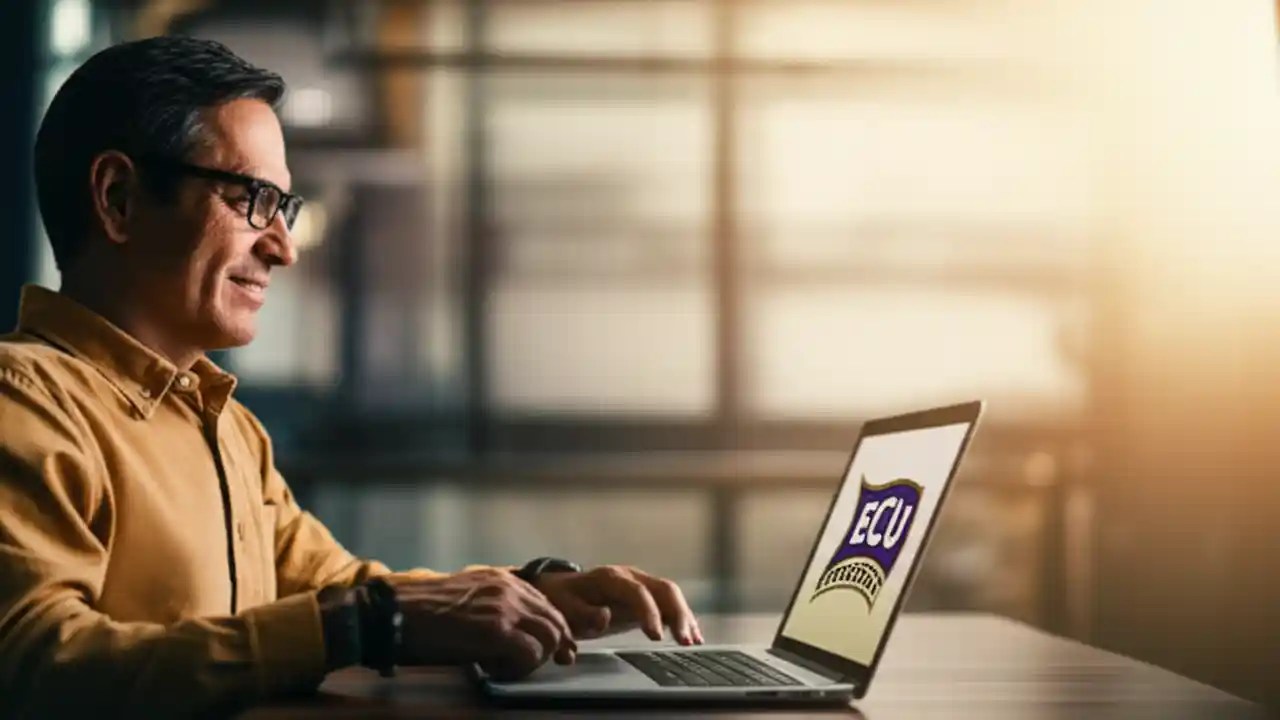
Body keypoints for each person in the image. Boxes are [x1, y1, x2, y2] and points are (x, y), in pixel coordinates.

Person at [0, 35, 701, 718]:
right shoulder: (22, 404)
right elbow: (36, 667)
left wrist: (539, 593)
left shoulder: (225, 424)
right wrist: (364, 624)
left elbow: (338, 590)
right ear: (119, 198)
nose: (282, 248)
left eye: (285, 208)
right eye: (252, 199)